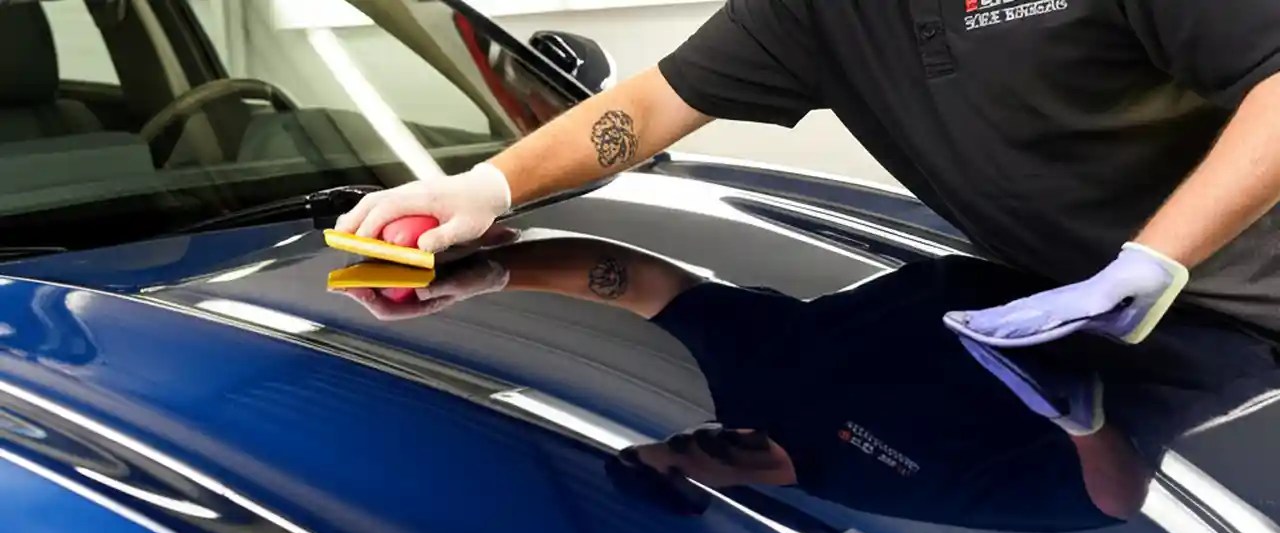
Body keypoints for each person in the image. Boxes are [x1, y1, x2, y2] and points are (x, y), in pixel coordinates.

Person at [335, 0, 1280, 346]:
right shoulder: (808, 14)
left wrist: (1153, 259)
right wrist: (485, 188)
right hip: (1096, 340)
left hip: (1245, 311)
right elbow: (650, 107)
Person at [336, 236, 1185, 532]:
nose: (672, 452)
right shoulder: (884, 486)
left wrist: (487, 272)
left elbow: (635, 281)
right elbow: (1104, 506)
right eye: (670, 475)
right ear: (705, 493)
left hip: (1027, 235)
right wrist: (1083, 424)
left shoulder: (747, 372)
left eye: (646, 455)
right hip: (1159, 325)